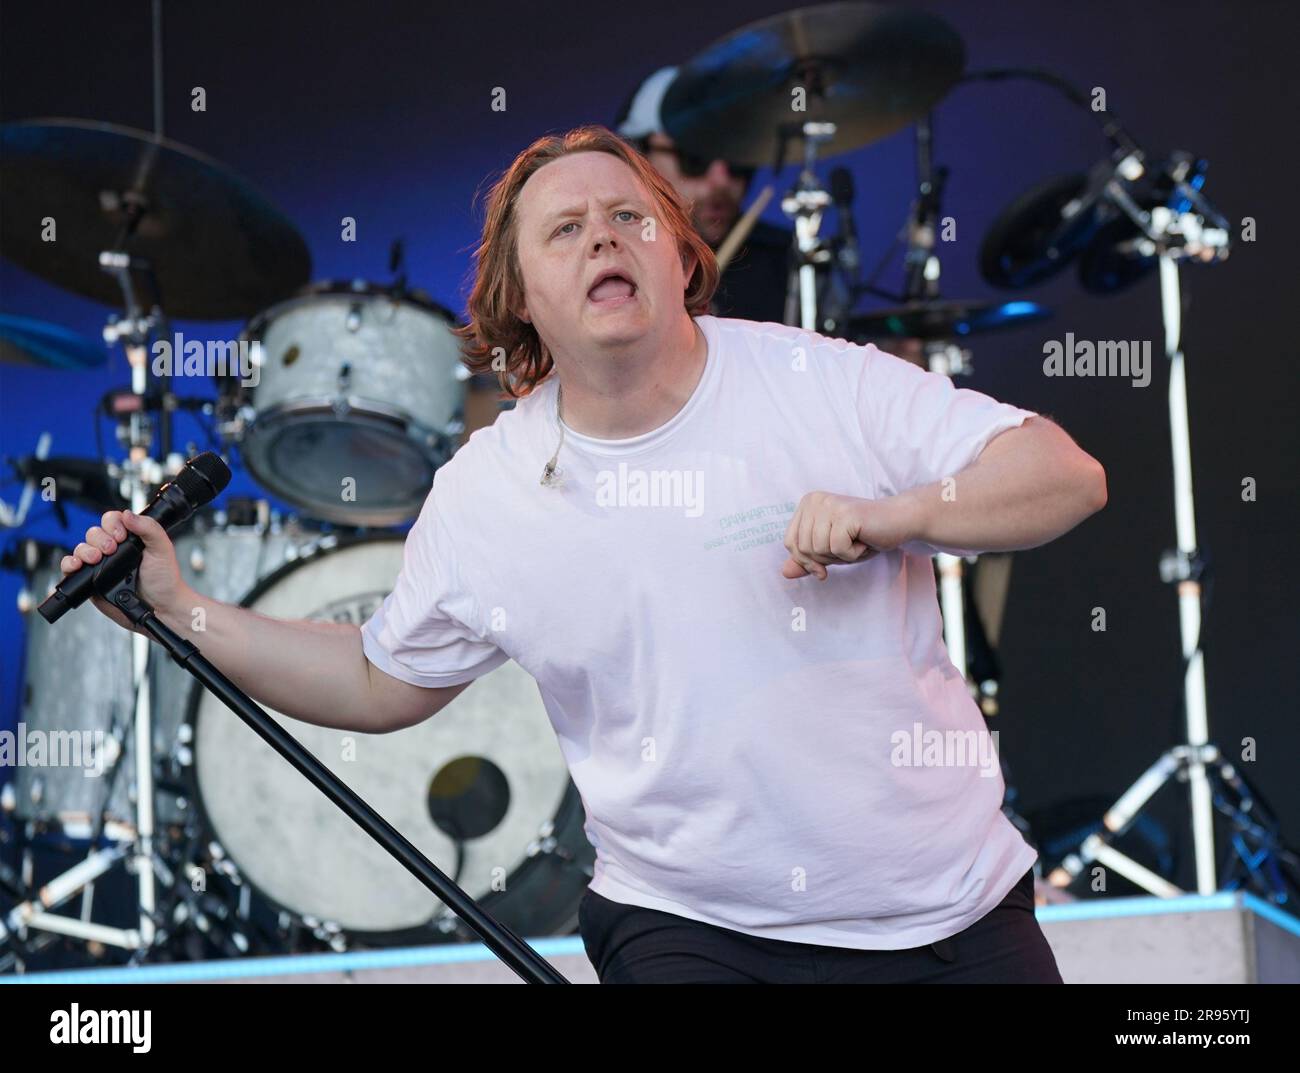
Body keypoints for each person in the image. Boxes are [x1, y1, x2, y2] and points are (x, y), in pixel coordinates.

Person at [63, 125, 1106, 984]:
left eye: (628, 216)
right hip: (694, 926)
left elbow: (1063, 475)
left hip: (949, 909)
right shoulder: (492, 489)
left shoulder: (818, 379)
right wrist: (180, 607)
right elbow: (378, 676)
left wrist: (900, 514)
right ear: (520, 294)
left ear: (676, 252)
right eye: (565, 228)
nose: (604, 237)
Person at [613, 65, 792, 326]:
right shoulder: (604, 254)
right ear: (636, 158)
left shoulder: (787, 261)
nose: (720, 181)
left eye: (737, 161)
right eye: (695, 159)